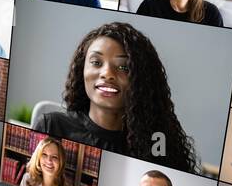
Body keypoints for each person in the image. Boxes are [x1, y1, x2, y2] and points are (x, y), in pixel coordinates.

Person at [36, 22, 201, 173]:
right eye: (96, 62)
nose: (107, 74)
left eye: (123, 67)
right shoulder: (52, 126)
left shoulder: (156, 143)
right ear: (82, 70)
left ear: (142, 80)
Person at [17, 137, 85, 186]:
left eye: (54, 157)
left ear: (61, 162)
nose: (49, 161)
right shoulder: (26, 179)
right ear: (38, 158)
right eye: (44, 155)